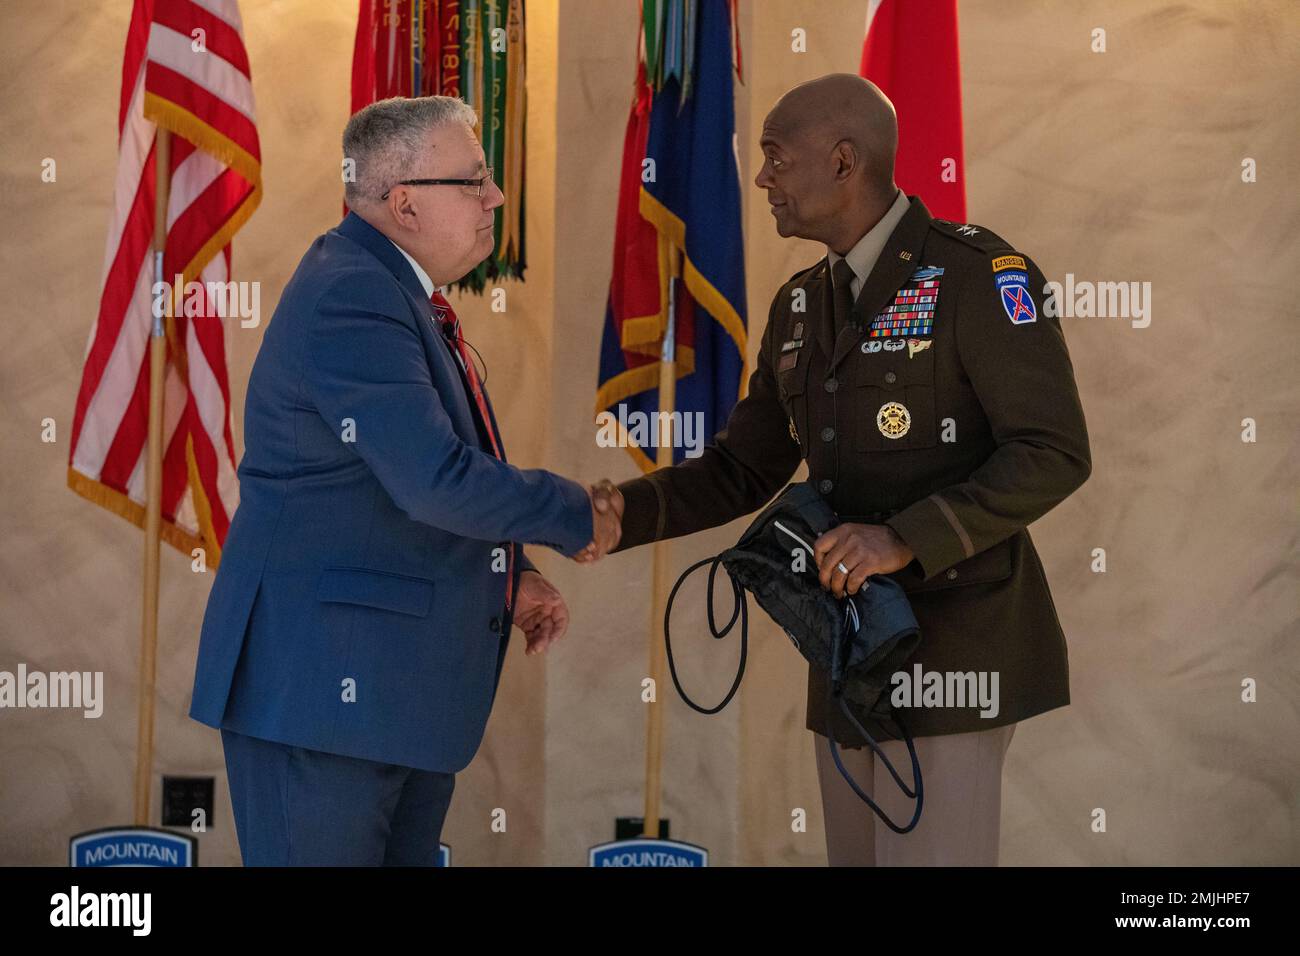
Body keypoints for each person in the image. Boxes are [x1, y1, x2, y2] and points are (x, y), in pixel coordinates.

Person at [585, 73, 1091, 866]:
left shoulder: (976, 278)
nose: (763, 180)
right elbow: (738, 470)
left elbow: (1053, 450)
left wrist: (903, 539)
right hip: (847, 659)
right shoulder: (798, 305)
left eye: (776, 159)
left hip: (953, 657)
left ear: (844, 160)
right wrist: (618, 511)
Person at [188, 96, 621, 866]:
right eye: (476, 179)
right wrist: (578, 512)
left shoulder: (387, 287)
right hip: (324, 699)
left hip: (384, 697)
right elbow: (433, 479)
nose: (494, 197)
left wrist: (505, 571)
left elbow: (386, 487)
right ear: (405, 201)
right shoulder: (353, 292)